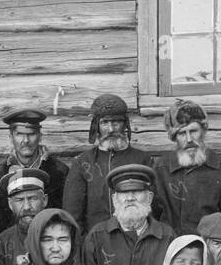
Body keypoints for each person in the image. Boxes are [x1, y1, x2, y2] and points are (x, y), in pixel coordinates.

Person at [63, 94, 155, 232]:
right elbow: (72, 214)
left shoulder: (143, 160)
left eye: (116, 122)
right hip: (96, 244)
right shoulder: (82, 163)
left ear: (125, 124)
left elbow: (155, 208)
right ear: (96, 126)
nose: (111, 129)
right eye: (104, 123)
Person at [153, 99, 221, 237]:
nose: (189, 139)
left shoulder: (220, 169)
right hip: (170, 248)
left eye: (193, 131)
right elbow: (152, 217)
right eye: (182, 133)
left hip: (208, 247)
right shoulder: (161, 169)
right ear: (174, 137)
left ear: (203, 131)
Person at [0, 108, 67, 241]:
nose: (26, 140)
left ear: (40, 136)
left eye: (31, 134)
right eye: (20, 134)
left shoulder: (60, 172)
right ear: (11, 137)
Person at [0, 168, 49, 265]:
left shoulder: (61, 235)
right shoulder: (4, 240)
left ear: (44, 200)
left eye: (32, 198)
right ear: (10, 204)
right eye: (20, 200)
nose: (27, 206)